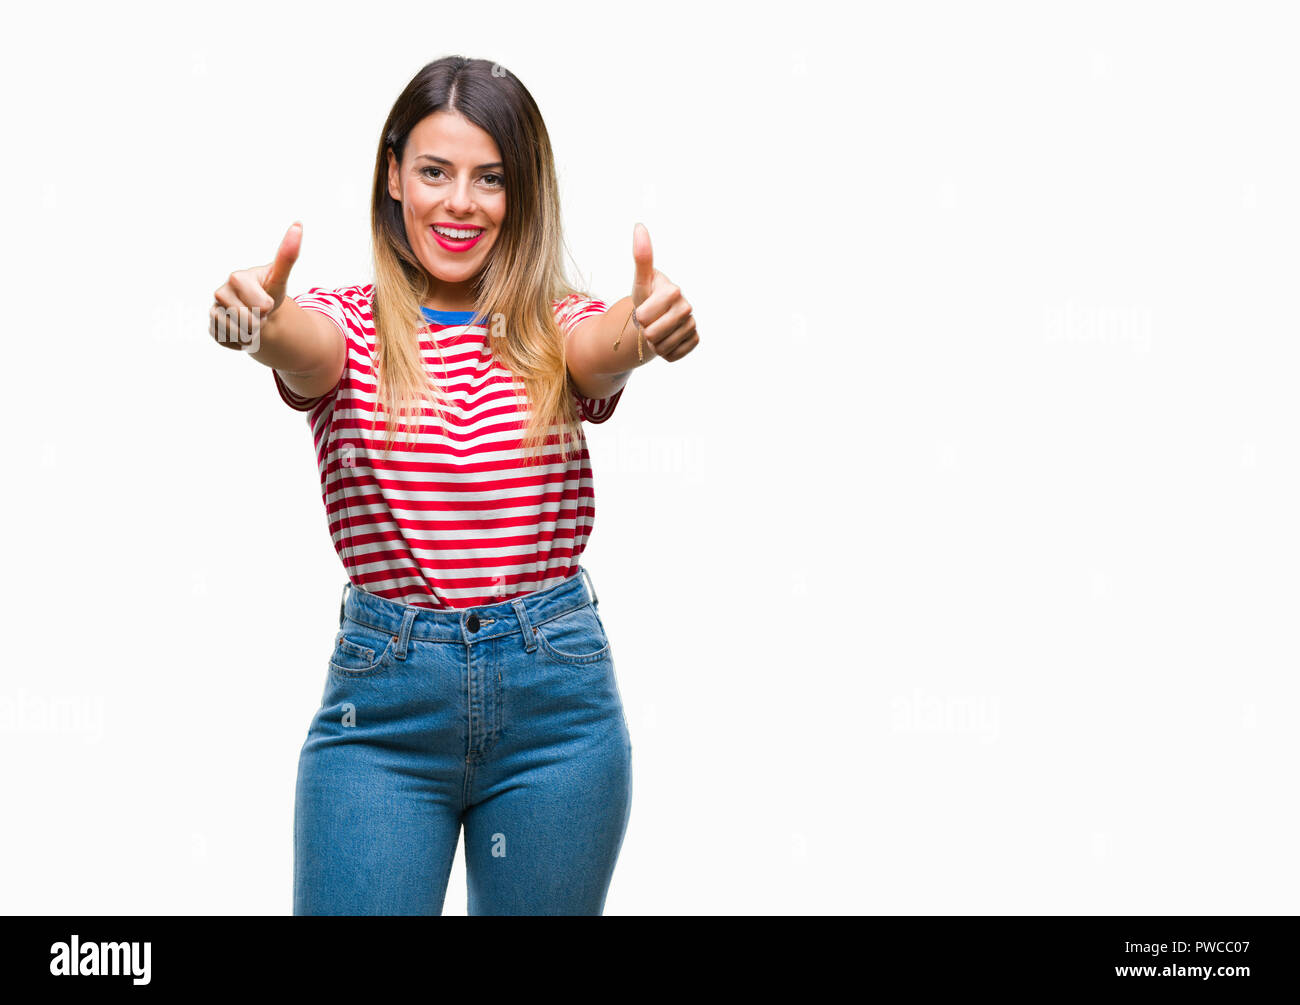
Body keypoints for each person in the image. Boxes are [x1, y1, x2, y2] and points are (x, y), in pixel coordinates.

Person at [207, 56, 699, 915]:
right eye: (434, 172)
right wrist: (259, 324)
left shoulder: (555, 323)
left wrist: (645, 327)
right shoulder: (349, 327)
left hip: (558, 709)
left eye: (490, 178)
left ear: (523, 194)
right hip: (384, 715)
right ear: (393, 175)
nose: (459, 203)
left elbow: (602, 348)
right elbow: (300, 344)